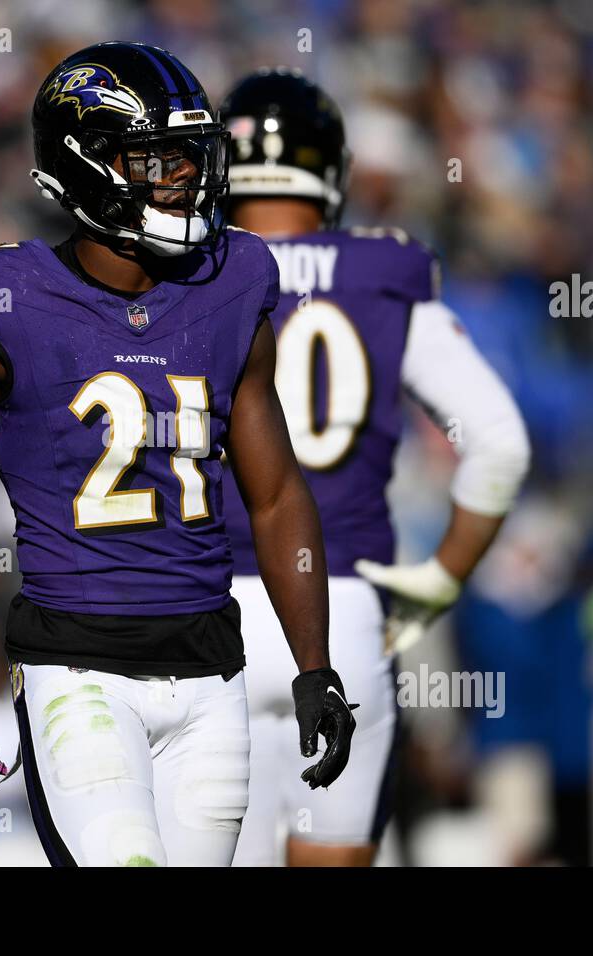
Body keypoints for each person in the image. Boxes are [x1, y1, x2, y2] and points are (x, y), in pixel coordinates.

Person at [0, 43, 355, 867]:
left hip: (212, 672)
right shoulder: (6, 301)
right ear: (85, 165)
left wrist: (316, 665)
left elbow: (276, 495)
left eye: (189, 155)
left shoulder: (234, 280)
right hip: (78, 670)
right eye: (154, 159)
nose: (183, 178)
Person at [218, 69, 530, 867]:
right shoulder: (382, 276)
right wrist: (439, 582)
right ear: (331, 171)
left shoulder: (184, 276)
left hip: (201, 615)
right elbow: (499, 442)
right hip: (341, 607)